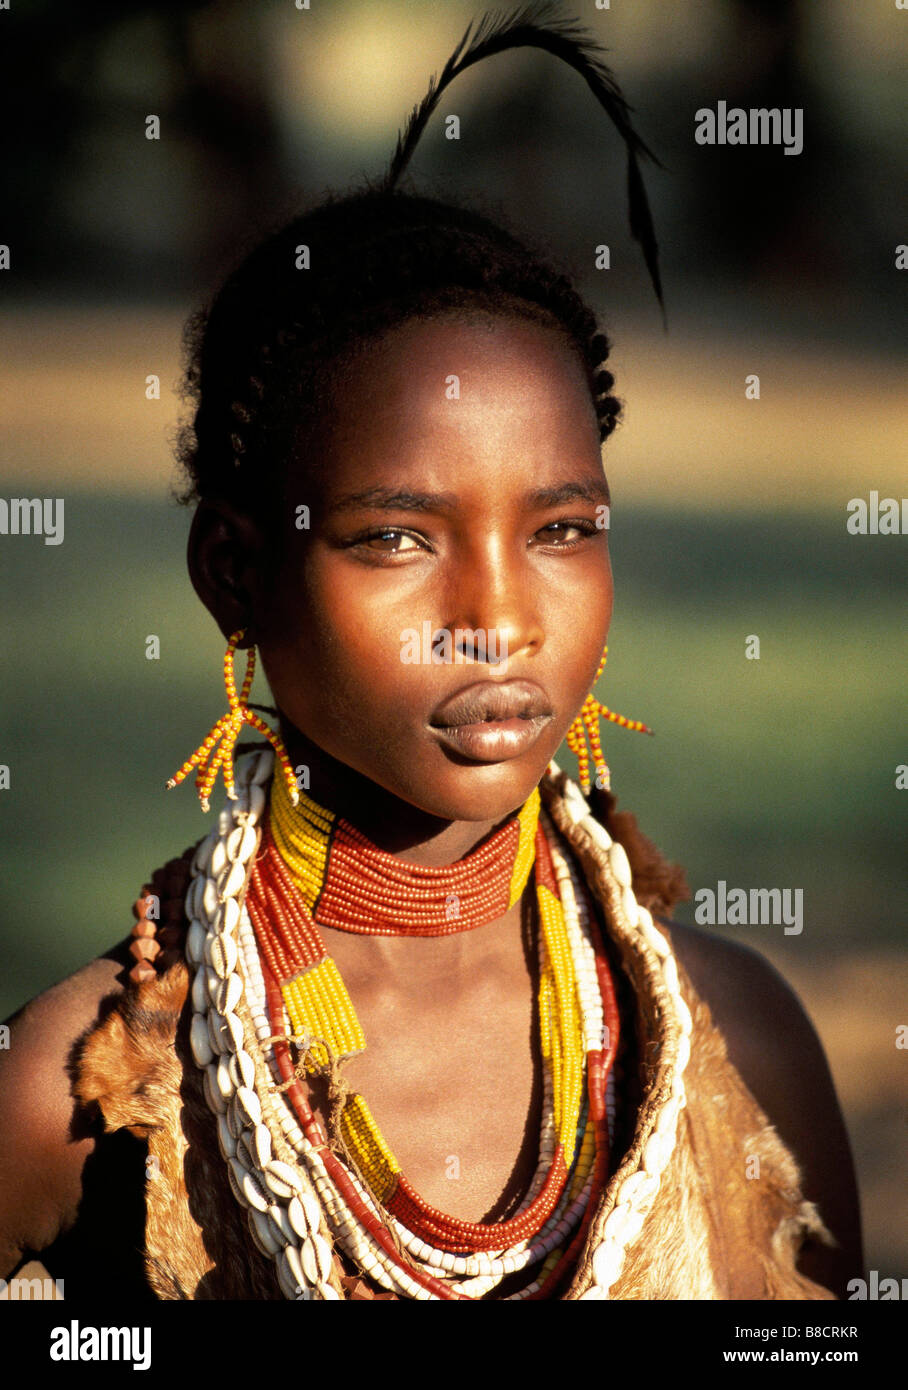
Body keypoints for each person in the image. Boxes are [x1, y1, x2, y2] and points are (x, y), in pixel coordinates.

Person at [0, 4, 861, 1301]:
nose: (498, 614)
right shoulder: (92, 1094)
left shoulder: (741, 1049)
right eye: (397, 539)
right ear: (235, 572)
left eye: (562, 527)